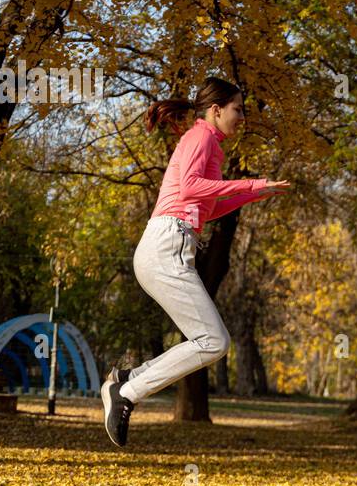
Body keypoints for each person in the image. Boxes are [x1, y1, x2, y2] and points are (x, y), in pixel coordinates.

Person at [101, 77, 289, 446]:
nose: (242, 118)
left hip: (168, 245)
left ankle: (125, 381)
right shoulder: (201, 137)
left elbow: (210, 204)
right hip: (167, 244)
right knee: (213, 341)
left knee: (209, 340)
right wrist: (249, 184)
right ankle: (127, 393)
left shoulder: (208, 144)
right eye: (238, 109)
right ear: (216, 110)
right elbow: (189, 188)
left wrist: (256, 194)